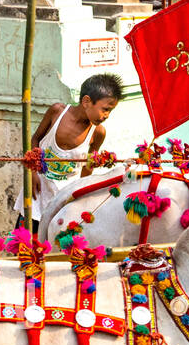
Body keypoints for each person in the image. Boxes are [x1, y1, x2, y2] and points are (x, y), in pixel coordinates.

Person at [15, 73, 122, 231]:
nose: (106, 116)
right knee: (24, 243)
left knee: (54, 248)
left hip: (65, 199)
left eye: (110, 111)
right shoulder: (57, 112)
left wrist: (82, 196)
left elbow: (88, 168)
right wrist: (33, 173)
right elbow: (35, 139)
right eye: (105, 109)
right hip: (38, 192)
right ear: (86, 101)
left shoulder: (98, 133)